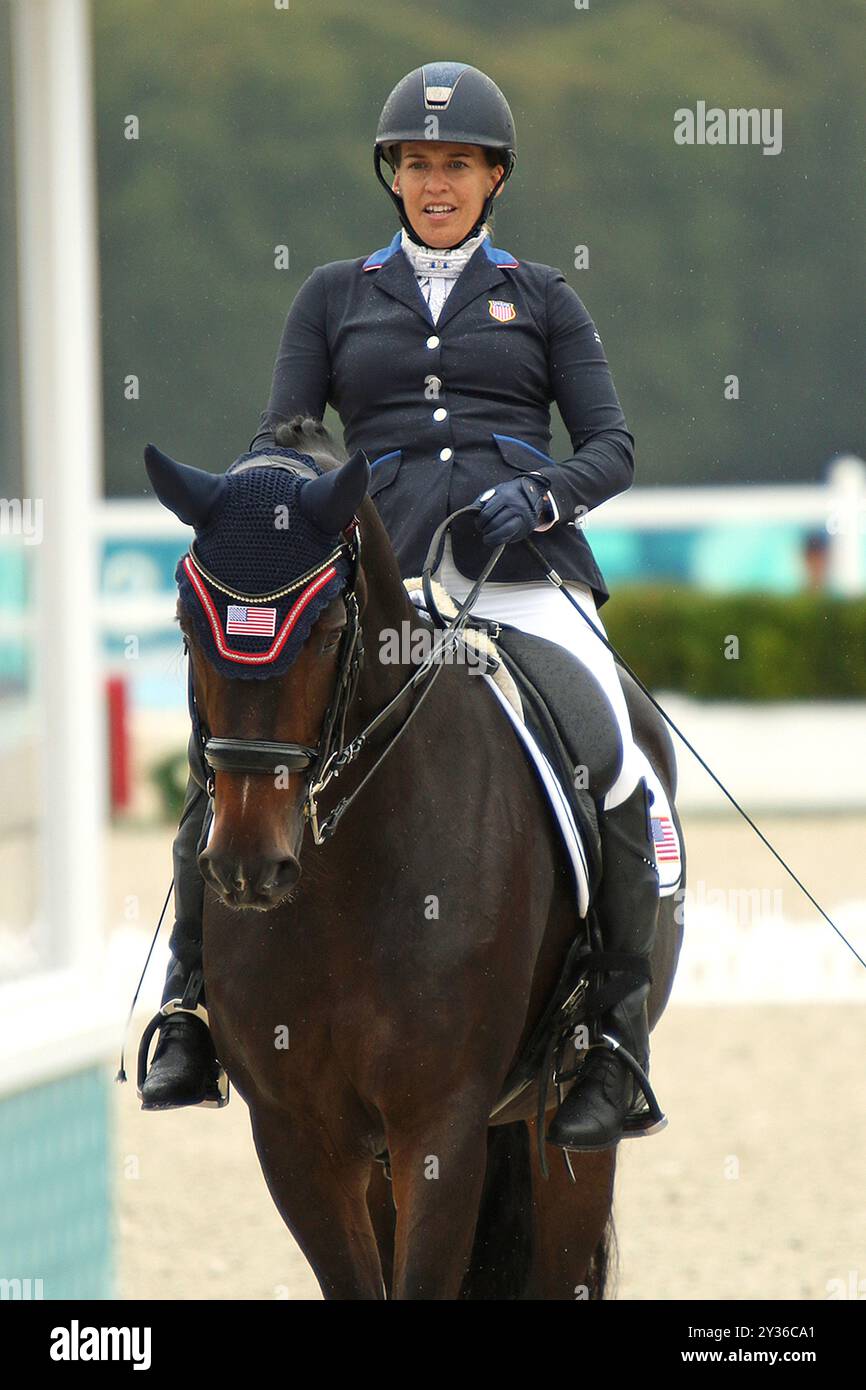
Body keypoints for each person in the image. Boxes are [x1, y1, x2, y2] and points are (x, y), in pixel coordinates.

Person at [140, 60, 665, 1152]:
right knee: (234, 749)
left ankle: (613, 1032)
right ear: (392, 174)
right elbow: (282, 435)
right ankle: (190, 999)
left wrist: (535, 495)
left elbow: (611, 446)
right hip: (377, 582)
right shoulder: (333, 294)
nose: (437, 181)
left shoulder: (546, 298)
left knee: (610, 749)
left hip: (520, 581)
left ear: (493, 178)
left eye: (457, 164)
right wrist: (270, 504)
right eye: (418, 163)